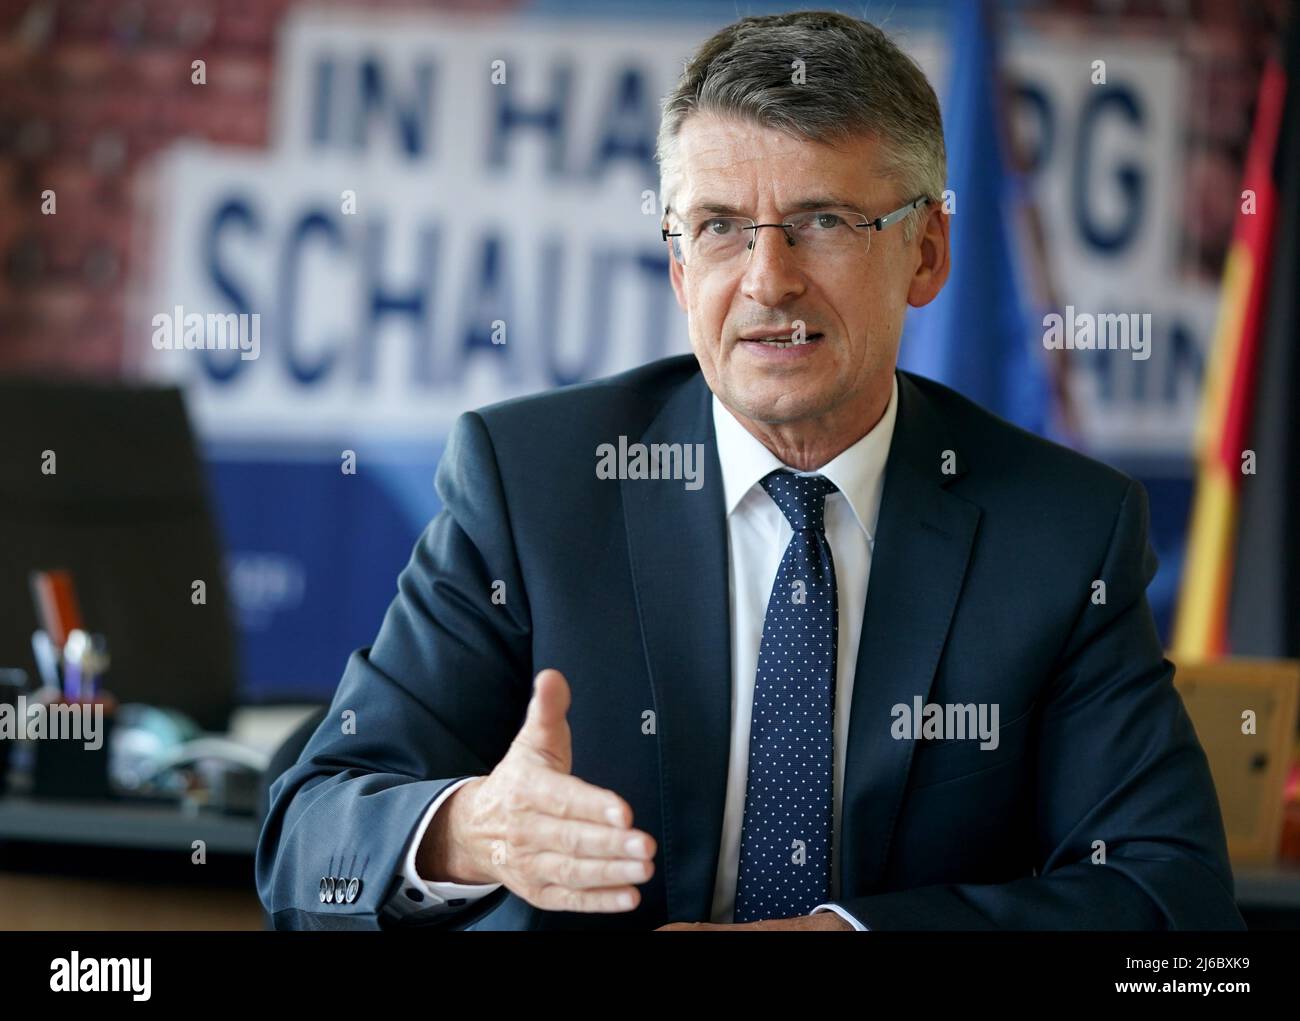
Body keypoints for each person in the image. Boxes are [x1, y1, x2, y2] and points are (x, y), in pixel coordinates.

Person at [256, 10, 1243, 931]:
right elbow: (309, 834)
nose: (768, 279)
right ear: (680, 265)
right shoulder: (532, 487)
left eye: (822, 221)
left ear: (927, 250)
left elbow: (1169, 897)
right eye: (720, 226)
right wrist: (472, 829)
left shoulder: (1059, 533)